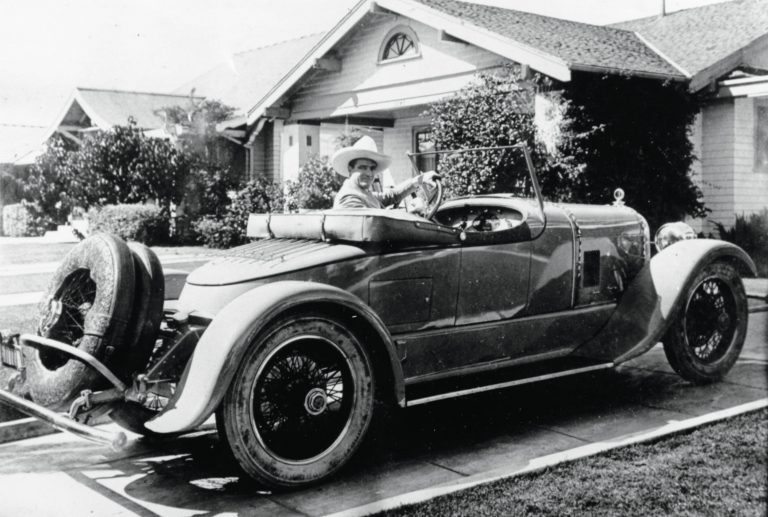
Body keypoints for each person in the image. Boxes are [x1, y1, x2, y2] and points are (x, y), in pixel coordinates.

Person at [332, 136, 439, 209]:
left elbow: (392, 195)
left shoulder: (362, 192)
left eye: (372, 168)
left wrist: (421, 179)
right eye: (363, 167)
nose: (369, 173)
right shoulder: (349, 198)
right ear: (350, 169)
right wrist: (412, 209)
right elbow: (372, 223)